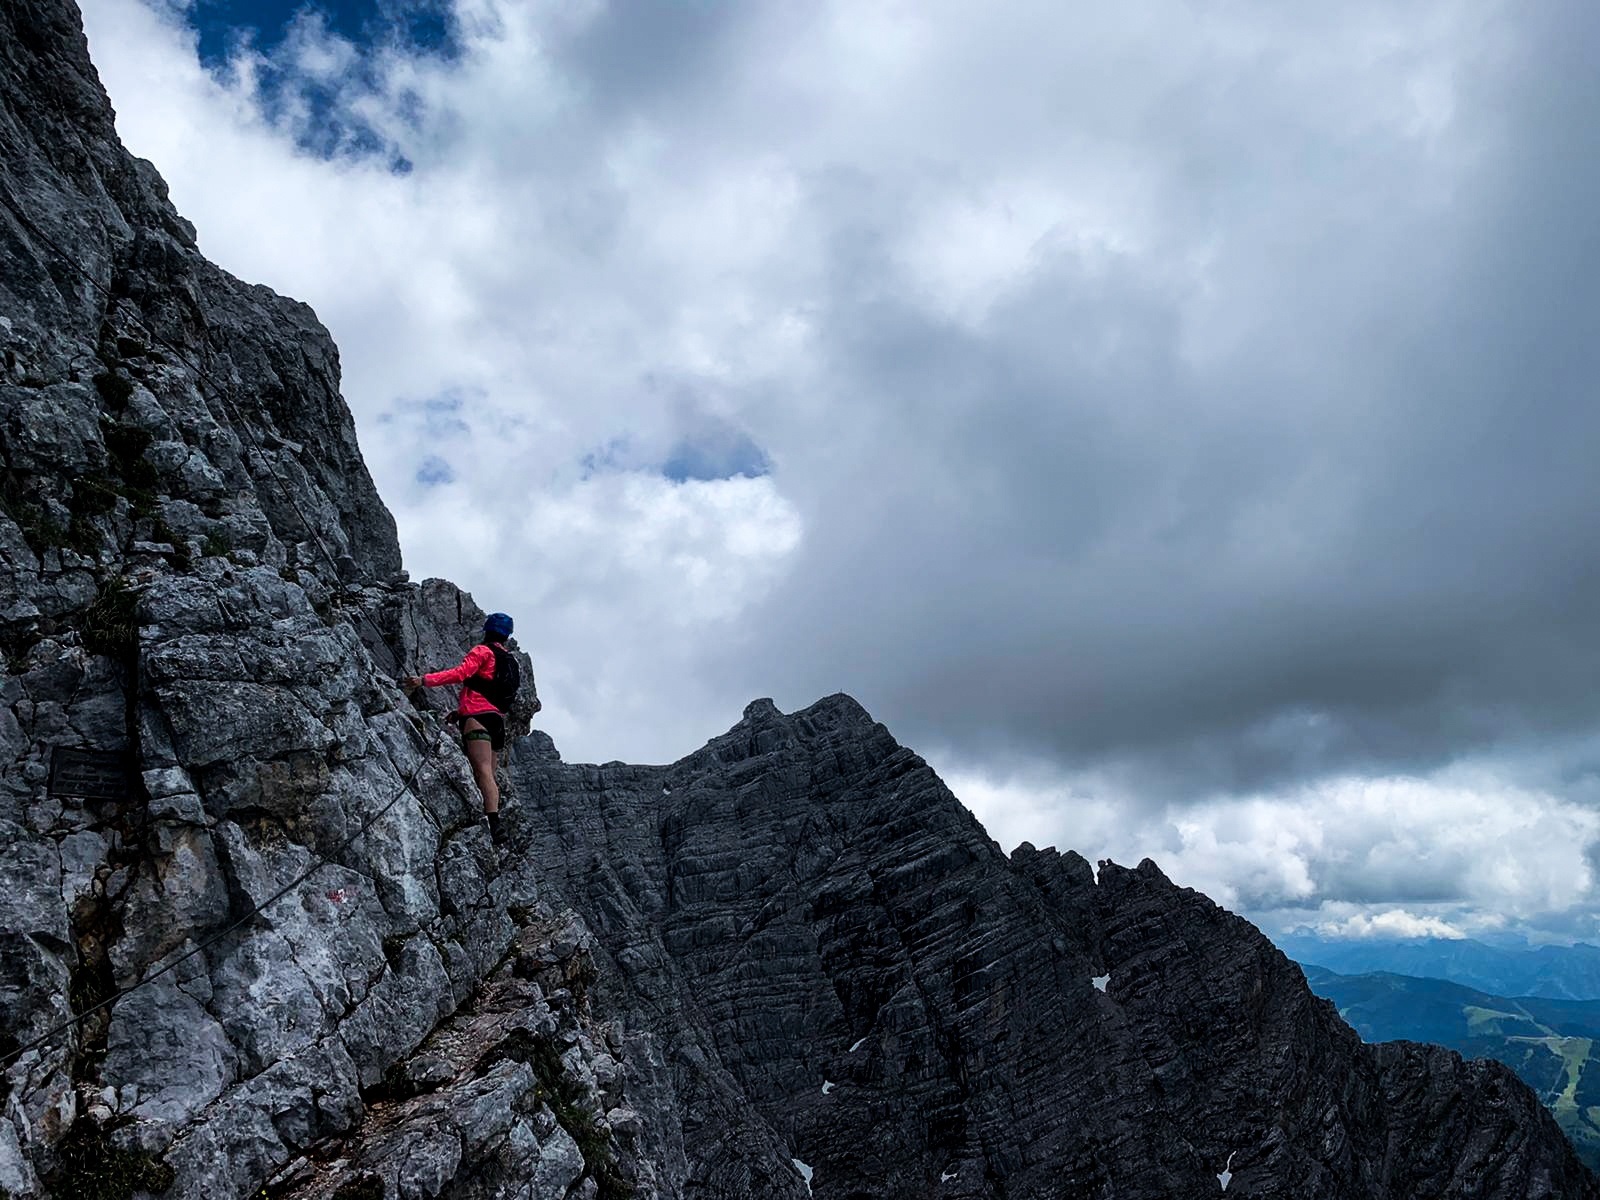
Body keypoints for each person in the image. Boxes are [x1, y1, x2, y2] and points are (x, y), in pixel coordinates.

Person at [404, 612, 522, 844]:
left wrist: (423, 680)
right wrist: (459, 713)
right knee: (490, 774)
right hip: (497, 722)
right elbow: (492, 692)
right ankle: (493, 818)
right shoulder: (511, 662)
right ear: (507, 636)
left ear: (486, 630)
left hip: (477, 719)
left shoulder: (483, 652)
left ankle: (494, 825)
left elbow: (461, 674)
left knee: (483, 772)